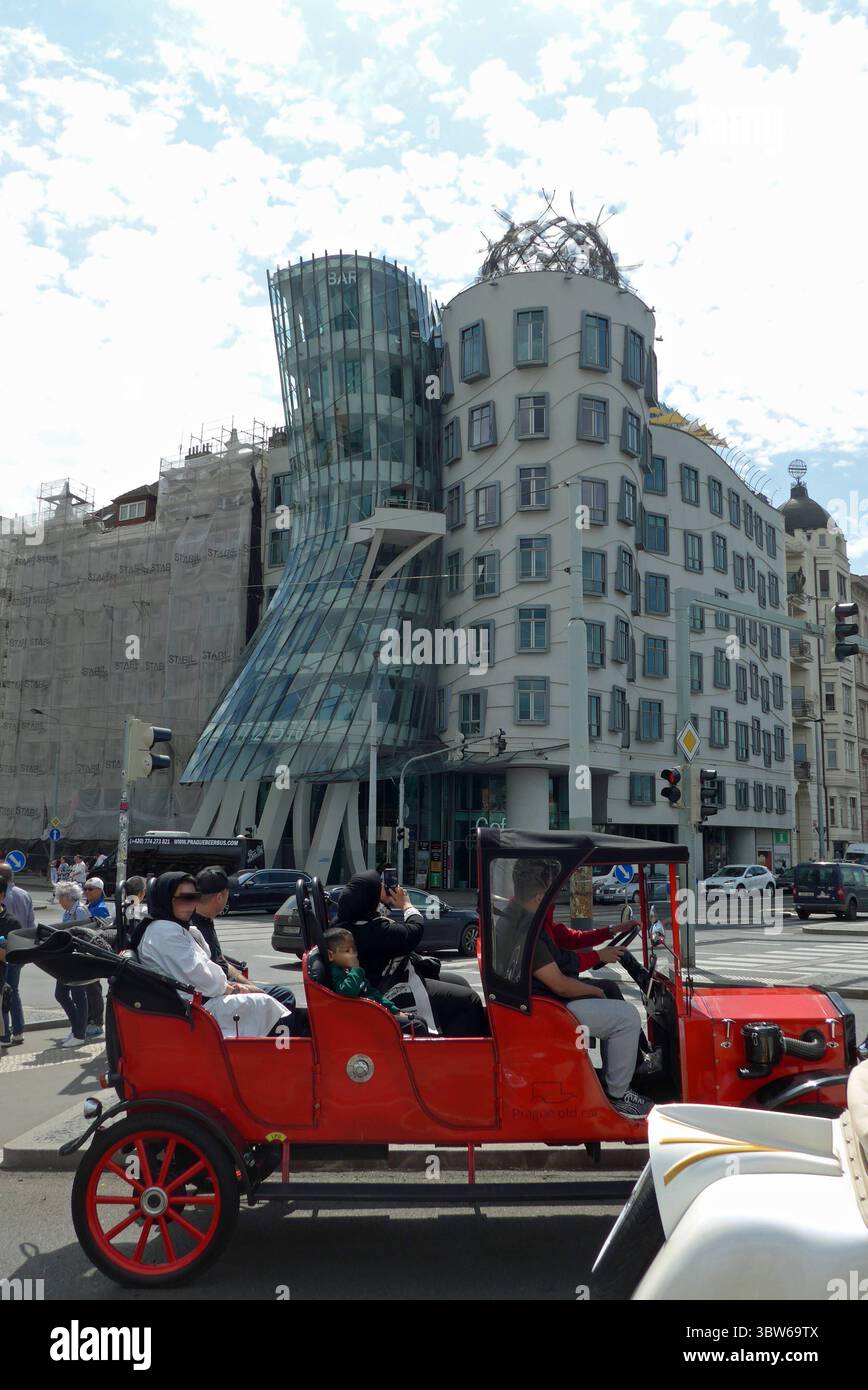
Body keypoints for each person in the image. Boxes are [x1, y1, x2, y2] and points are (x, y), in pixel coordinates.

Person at [505, 860, 651, 1119]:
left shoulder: (526, 914)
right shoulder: (527, 928)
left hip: (540, 1000)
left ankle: (625, 1072)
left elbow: (567, 940)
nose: (555, 896)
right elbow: (559, 981)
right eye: (553, 889)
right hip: (546, 1008)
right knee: (626, 1016)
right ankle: (618, 1096)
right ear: (541, 894)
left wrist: (609, 931)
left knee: (608, 988)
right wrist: (596, 974)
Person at [136, 872, 292, 1039]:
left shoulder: (175, 927)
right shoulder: (165, 932)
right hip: (194, 1009)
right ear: (166, 899)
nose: (190, 905)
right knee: (278, 1002)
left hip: (198, 1000)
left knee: (275, 1000)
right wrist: (234, 989)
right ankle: (282, 1055)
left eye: (194, 897)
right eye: (184, 899)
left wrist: (232, 987)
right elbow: (200, 974)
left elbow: (206, 967)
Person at [336, 870, 488, 1037]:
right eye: (380, 888)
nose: (385, 889)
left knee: (460, 982)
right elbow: (414, 931)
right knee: (470, 999)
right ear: (370, 897)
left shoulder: (350, 920)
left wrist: (386, 900)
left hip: (387, 978)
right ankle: (462, 1055)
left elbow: (376, 916)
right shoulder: (373, 931)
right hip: (387, 990)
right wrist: (407, 905)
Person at [191, 866, 299, 1026]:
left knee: (276, 993)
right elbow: (210, 976)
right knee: (284, 996)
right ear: (220, 897)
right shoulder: (197, 928)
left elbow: (220, 961)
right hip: (216, 995)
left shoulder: (204, 919)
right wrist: (246, 988)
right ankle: (277, 1046)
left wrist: (248, 983)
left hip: (222, 987)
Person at [324, 927, 410, 1020]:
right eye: (347, 951)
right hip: (360, 1018)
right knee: (418, 1026)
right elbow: (348, 992)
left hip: (372, 1011)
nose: (353, 954)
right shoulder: (335, 973)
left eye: (354, 949)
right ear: (331, 955)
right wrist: (356, 969)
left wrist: (394, 1010)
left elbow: (372, 992)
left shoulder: (349, 971)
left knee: (418, 1021)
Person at [54, 881, 98, 1047]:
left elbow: (82, 935)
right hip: (67, 958)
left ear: (67, 897)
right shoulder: (70, 912)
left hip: (76, 958)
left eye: (60, 898)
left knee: (78, 995)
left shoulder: (79, 911)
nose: (59, 901)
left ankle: (79, 1033)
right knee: (62, 994)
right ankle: (76, 1029)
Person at [0, 863, 33, 1045]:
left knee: (4, 990)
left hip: (5, 949)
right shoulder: (24, 894)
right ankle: (18, 1030)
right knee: (14, 989)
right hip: (21, 947)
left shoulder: (6, 899)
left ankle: (5, 1034)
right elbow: (31, 923)